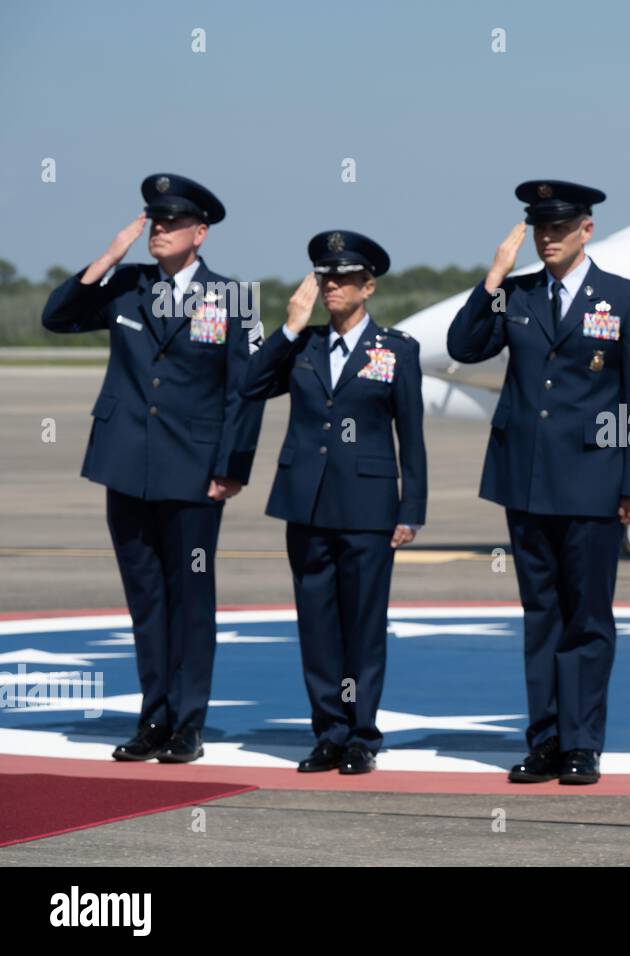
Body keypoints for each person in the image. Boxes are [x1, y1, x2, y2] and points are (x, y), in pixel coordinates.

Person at [447, 181, 630, 785]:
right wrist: (494, 276)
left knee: (587, 617)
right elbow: (464, 347)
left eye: (560, 228)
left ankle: (581, 744)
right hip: (526, 482)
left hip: (594, 483)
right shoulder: (515, 295)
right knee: (540, 614)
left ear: (586, 230)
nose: (548, 239)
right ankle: (543, 740)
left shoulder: (626, 299)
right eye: (540, 229)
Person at [42, 173, 265, 763]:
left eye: (171, 222)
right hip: (127, 467)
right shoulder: (126, 286)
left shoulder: (233, 299)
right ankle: (153, 720)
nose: (159, 230)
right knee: (145, 599)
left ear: (201, 232)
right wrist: (107, 257)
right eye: (154, 221)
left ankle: (188, 725)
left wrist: (232, 466)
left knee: (190, 598)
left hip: (194, 473)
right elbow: (58, 318)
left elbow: (245, 391)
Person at [241, 231, 426, 775]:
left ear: (368, 286)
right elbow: (249, 385)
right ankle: (328, 731)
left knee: (363, 626)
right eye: (325, 277)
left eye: (344, 278)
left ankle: (361, 734)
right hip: (307, 504)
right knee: (317, 624)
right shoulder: (303, 345)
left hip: (370, 508)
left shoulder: (396, 350)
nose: (332, 286)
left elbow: (410, 435)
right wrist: (290, 326)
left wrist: (411, 507)